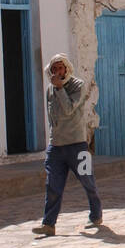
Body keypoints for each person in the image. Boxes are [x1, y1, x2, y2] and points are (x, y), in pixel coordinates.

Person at [33, 54, 102, 236]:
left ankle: (96, 214)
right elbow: (52, 116)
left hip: (77, 145)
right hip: (56, 147)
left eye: (60, 68)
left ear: (66, 68)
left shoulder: (77, 85)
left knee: (88, 181)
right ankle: (48, 224)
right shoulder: (50, 89)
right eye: (54, 68)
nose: (57, 71)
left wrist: (61, 88)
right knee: (53, 185)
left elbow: (69, 108)